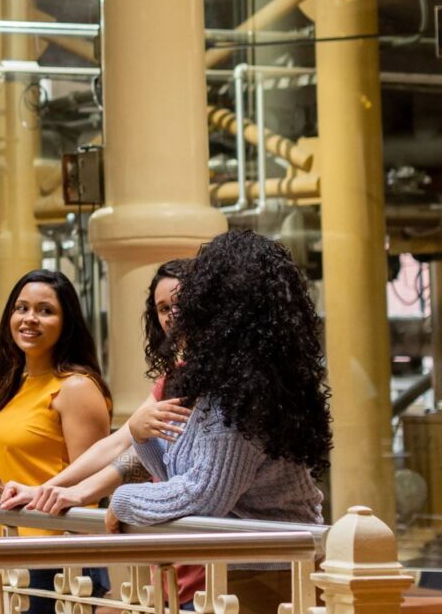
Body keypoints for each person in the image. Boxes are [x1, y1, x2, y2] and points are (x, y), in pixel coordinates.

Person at [104, 232, 325, 614]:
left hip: (267, 574)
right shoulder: (233, 380)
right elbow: (186, 474)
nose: (183, 310)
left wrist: (122, 501)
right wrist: (143, 438)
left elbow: (203, 498)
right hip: (248, 567)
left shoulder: (245, 393)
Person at [0, 261, 203, 604]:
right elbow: (122, 444)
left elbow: (193, 478)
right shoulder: (173, 377)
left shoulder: (76, 386)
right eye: (163, 308)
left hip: (217, 555)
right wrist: (48, 489)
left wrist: (84, 494)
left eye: (180, 304)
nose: (171, 316)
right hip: (168, 556)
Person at [0, 269, 112, 614]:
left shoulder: (76, 387)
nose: (29, 319)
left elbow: (90, 486)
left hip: (53, 560)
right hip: (6, 553)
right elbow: (13, 481)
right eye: (21, 308)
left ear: (66, 322)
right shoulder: (12, 386)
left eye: (45, 310)